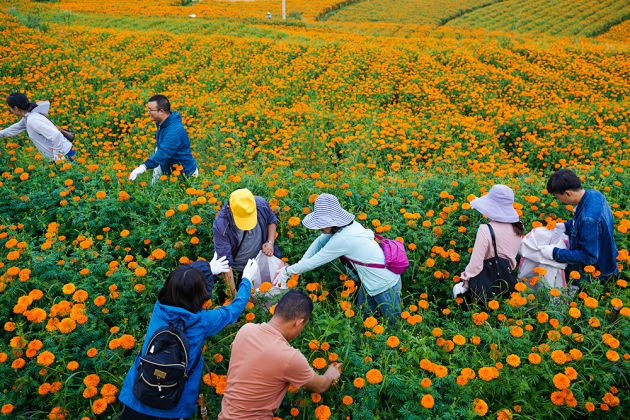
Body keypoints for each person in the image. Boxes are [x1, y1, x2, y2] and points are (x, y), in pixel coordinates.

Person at [118, 255, 257, 419]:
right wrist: (246, 279)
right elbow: (234, 309)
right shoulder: (204, 321)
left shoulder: (159, 310)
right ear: (200, 295)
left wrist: (208, 269)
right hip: (173, 404)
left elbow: (181, 282)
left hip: (137, 395)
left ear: (167, 287)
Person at [276, 193, 402, 324]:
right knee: (361, 319)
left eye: (322, 223)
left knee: (394, 323)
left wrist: (287, 272)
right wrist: (300, 264)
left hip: (385, 284)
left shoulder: (343, 239)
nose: (320, 227)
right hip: (370, 282)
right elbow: (319, 242)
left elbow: (315, 261)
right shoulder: (350, 226)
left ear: (333, 222)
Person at [219, 290, 342, 419]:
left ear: (276, 307)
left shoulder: (246, 330)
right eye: (303, 326)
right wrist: (331, 374)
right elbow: (321, 386)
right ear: (299, 322)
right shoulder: (289, 357)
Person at [541, 169, 618, 281]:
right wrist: (566, 226)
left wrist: (555, 253)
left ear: (568, 193)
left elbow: (589, 256)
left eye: (557, 197)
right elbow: (588, 228)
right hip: (606, 255)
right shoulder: (594, 194)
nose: (558, 201)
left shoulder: (588, 219)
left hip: (595, 273)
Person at [452, 185, 524, 298]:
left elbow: (476, 265)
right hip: (507, 280)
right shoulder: (518, 226)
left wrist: (464, 283)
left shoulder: (486, 229)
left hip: (485, 283)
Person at [213, 188, 280, 297]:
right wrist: (234, 296)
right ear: (230, 209)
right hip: (239, 271)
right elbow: (225, 263)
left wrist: (270, 242)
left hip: (261, 261)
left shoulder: (260, 204)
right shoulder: (221, 225)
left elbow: (271, 221)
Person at [129, 94, 198, 183]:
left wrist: (143, 167)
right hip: (170, 171)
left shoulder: (174, 132)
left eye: (150, 110)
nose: (148, 112)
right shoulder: (163, 122)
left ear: (161, 111)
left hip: (185, 176)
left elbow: (164, 152)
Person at [0, 92, 75, 162]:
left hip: (65, 155)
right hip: (63, 154)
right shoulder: (29, 115)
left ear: (15, 108)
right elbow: (16, 128)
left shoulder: (33, 120)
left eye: (10, 108)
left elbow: (56, 135)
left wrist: (57, 156)